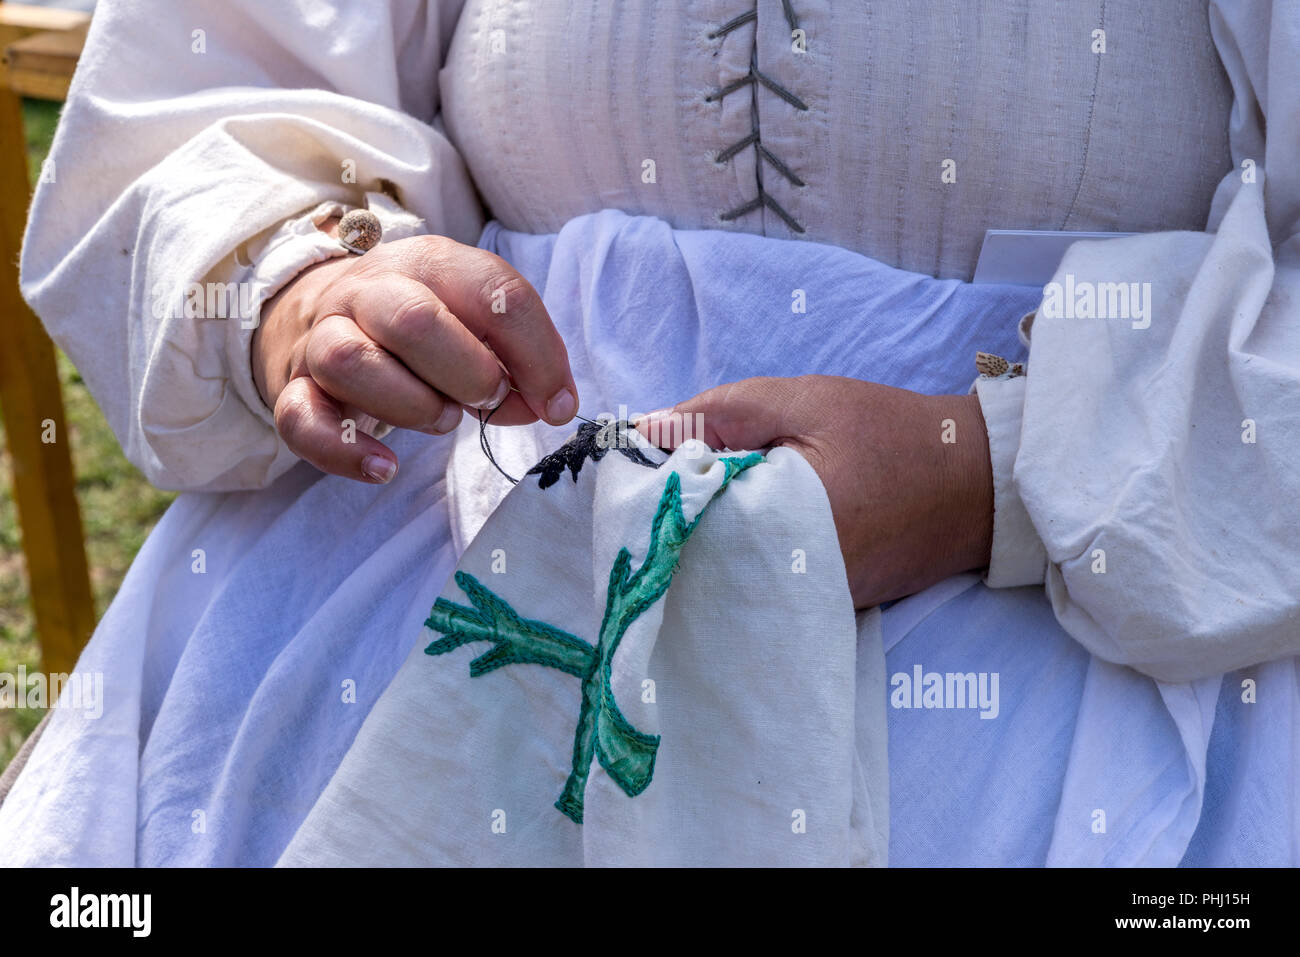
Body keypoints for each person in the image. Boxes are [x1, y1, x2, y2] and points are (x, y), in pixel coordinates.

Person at [1, 0, 1297, 865]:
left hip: (1106, 604)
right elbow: (220, 71)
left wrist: (1001, 465)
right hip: (434, 551)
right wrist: (302, 278)